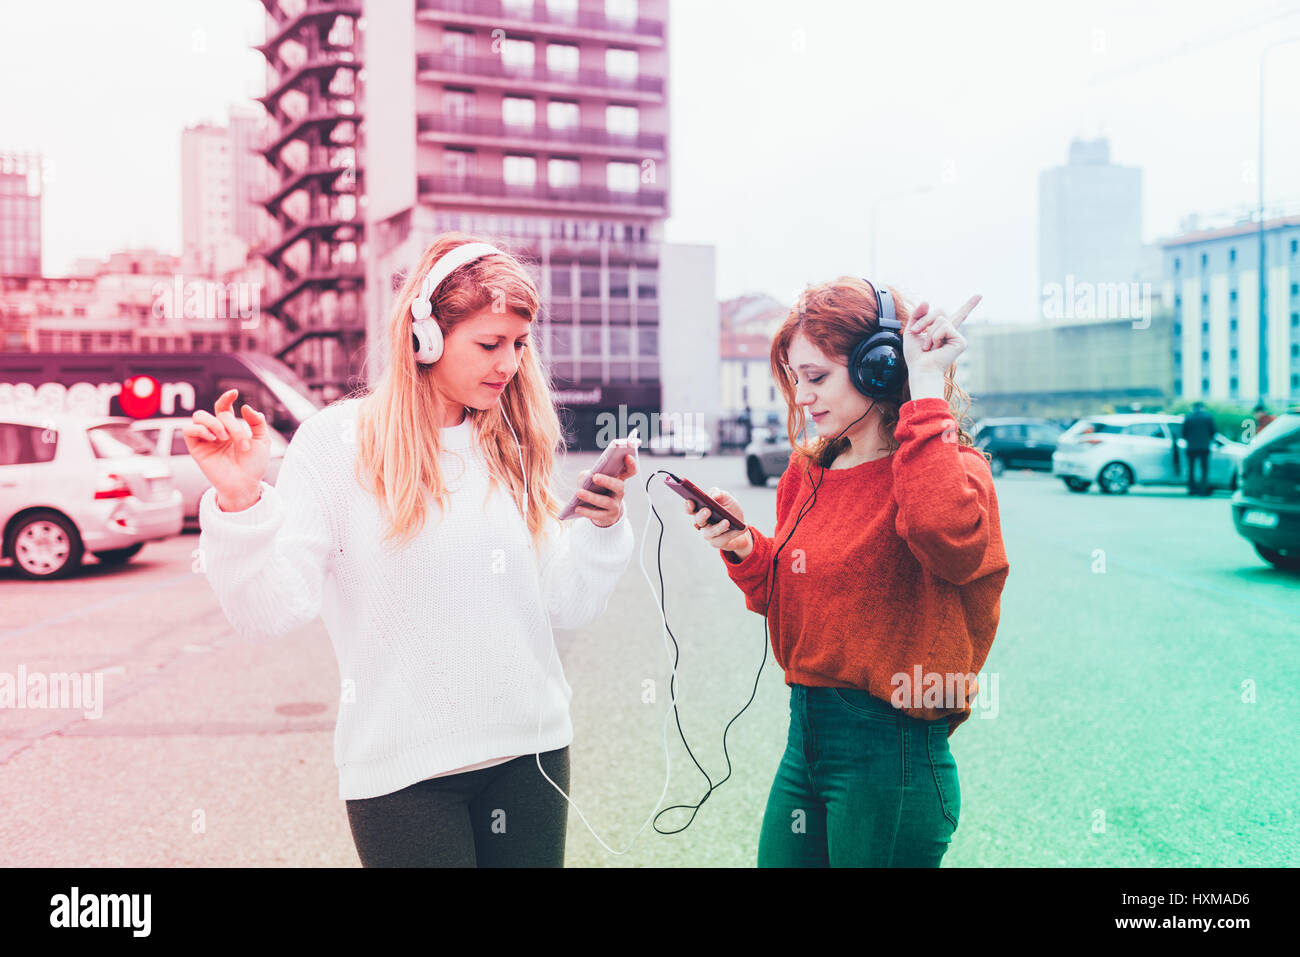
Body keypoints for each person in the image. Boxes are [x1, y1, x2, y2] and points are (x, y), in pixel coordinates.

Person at [186, 233, 637, 867]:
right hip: (402, 777)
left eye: (517, 344)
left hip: (530, 755)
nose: (508, 365)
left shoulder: (511, 442)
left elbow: (565, 602)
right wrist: (240, 501)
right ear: (424, 337)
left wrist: (598, 530)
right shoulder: (335, 445)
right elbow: (270, 612)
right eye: (488, 344)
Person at [684, 278, 1009, 867]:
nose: (801, 397)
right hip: (805, 737)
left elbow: (947, 538)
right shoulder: (810, 472)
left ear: (880, 367)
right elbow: (787, 592)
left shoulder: (953, 470)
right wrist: (741, 545)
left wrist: (926, 385)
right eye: (794, 378)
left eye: (816, 376)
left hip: (892, 752)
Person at [1180, 401, 1216, 496]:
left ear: (1193, 408)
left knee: (1191, 469)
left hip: (1191, 447)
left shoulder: (1188, 417)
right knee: (1204, 469)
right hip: (1204, 447)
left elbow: (1183, 434)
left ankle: (1192, 489)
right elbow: (1213, 432)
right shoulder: (1208, 417)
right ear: (1203, 408)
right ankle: (1203, 490)